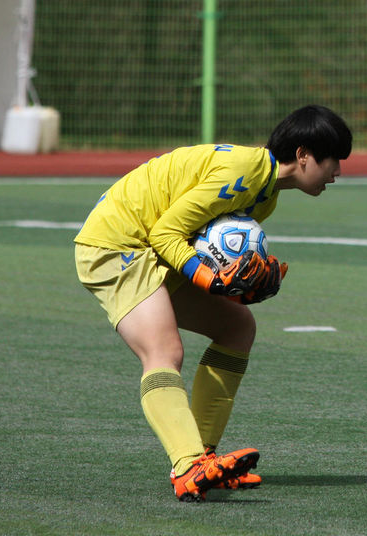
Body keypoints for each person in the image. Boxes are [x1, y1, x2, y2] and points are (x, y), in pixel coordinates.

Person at [74, 104, 352, 501]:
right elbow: (166, 231)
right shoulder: (243, 174)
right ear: (304, 155)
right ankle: (188, 466)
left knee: (237, 327)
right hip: (118, 243)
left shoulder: (265, 194)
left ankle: (203, 458)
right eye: (334, 161)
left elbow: (198, 245)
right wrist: (210, 279)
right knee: (164, 350)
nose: (338, 173)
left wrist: (240, 288)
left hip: (152, 247)